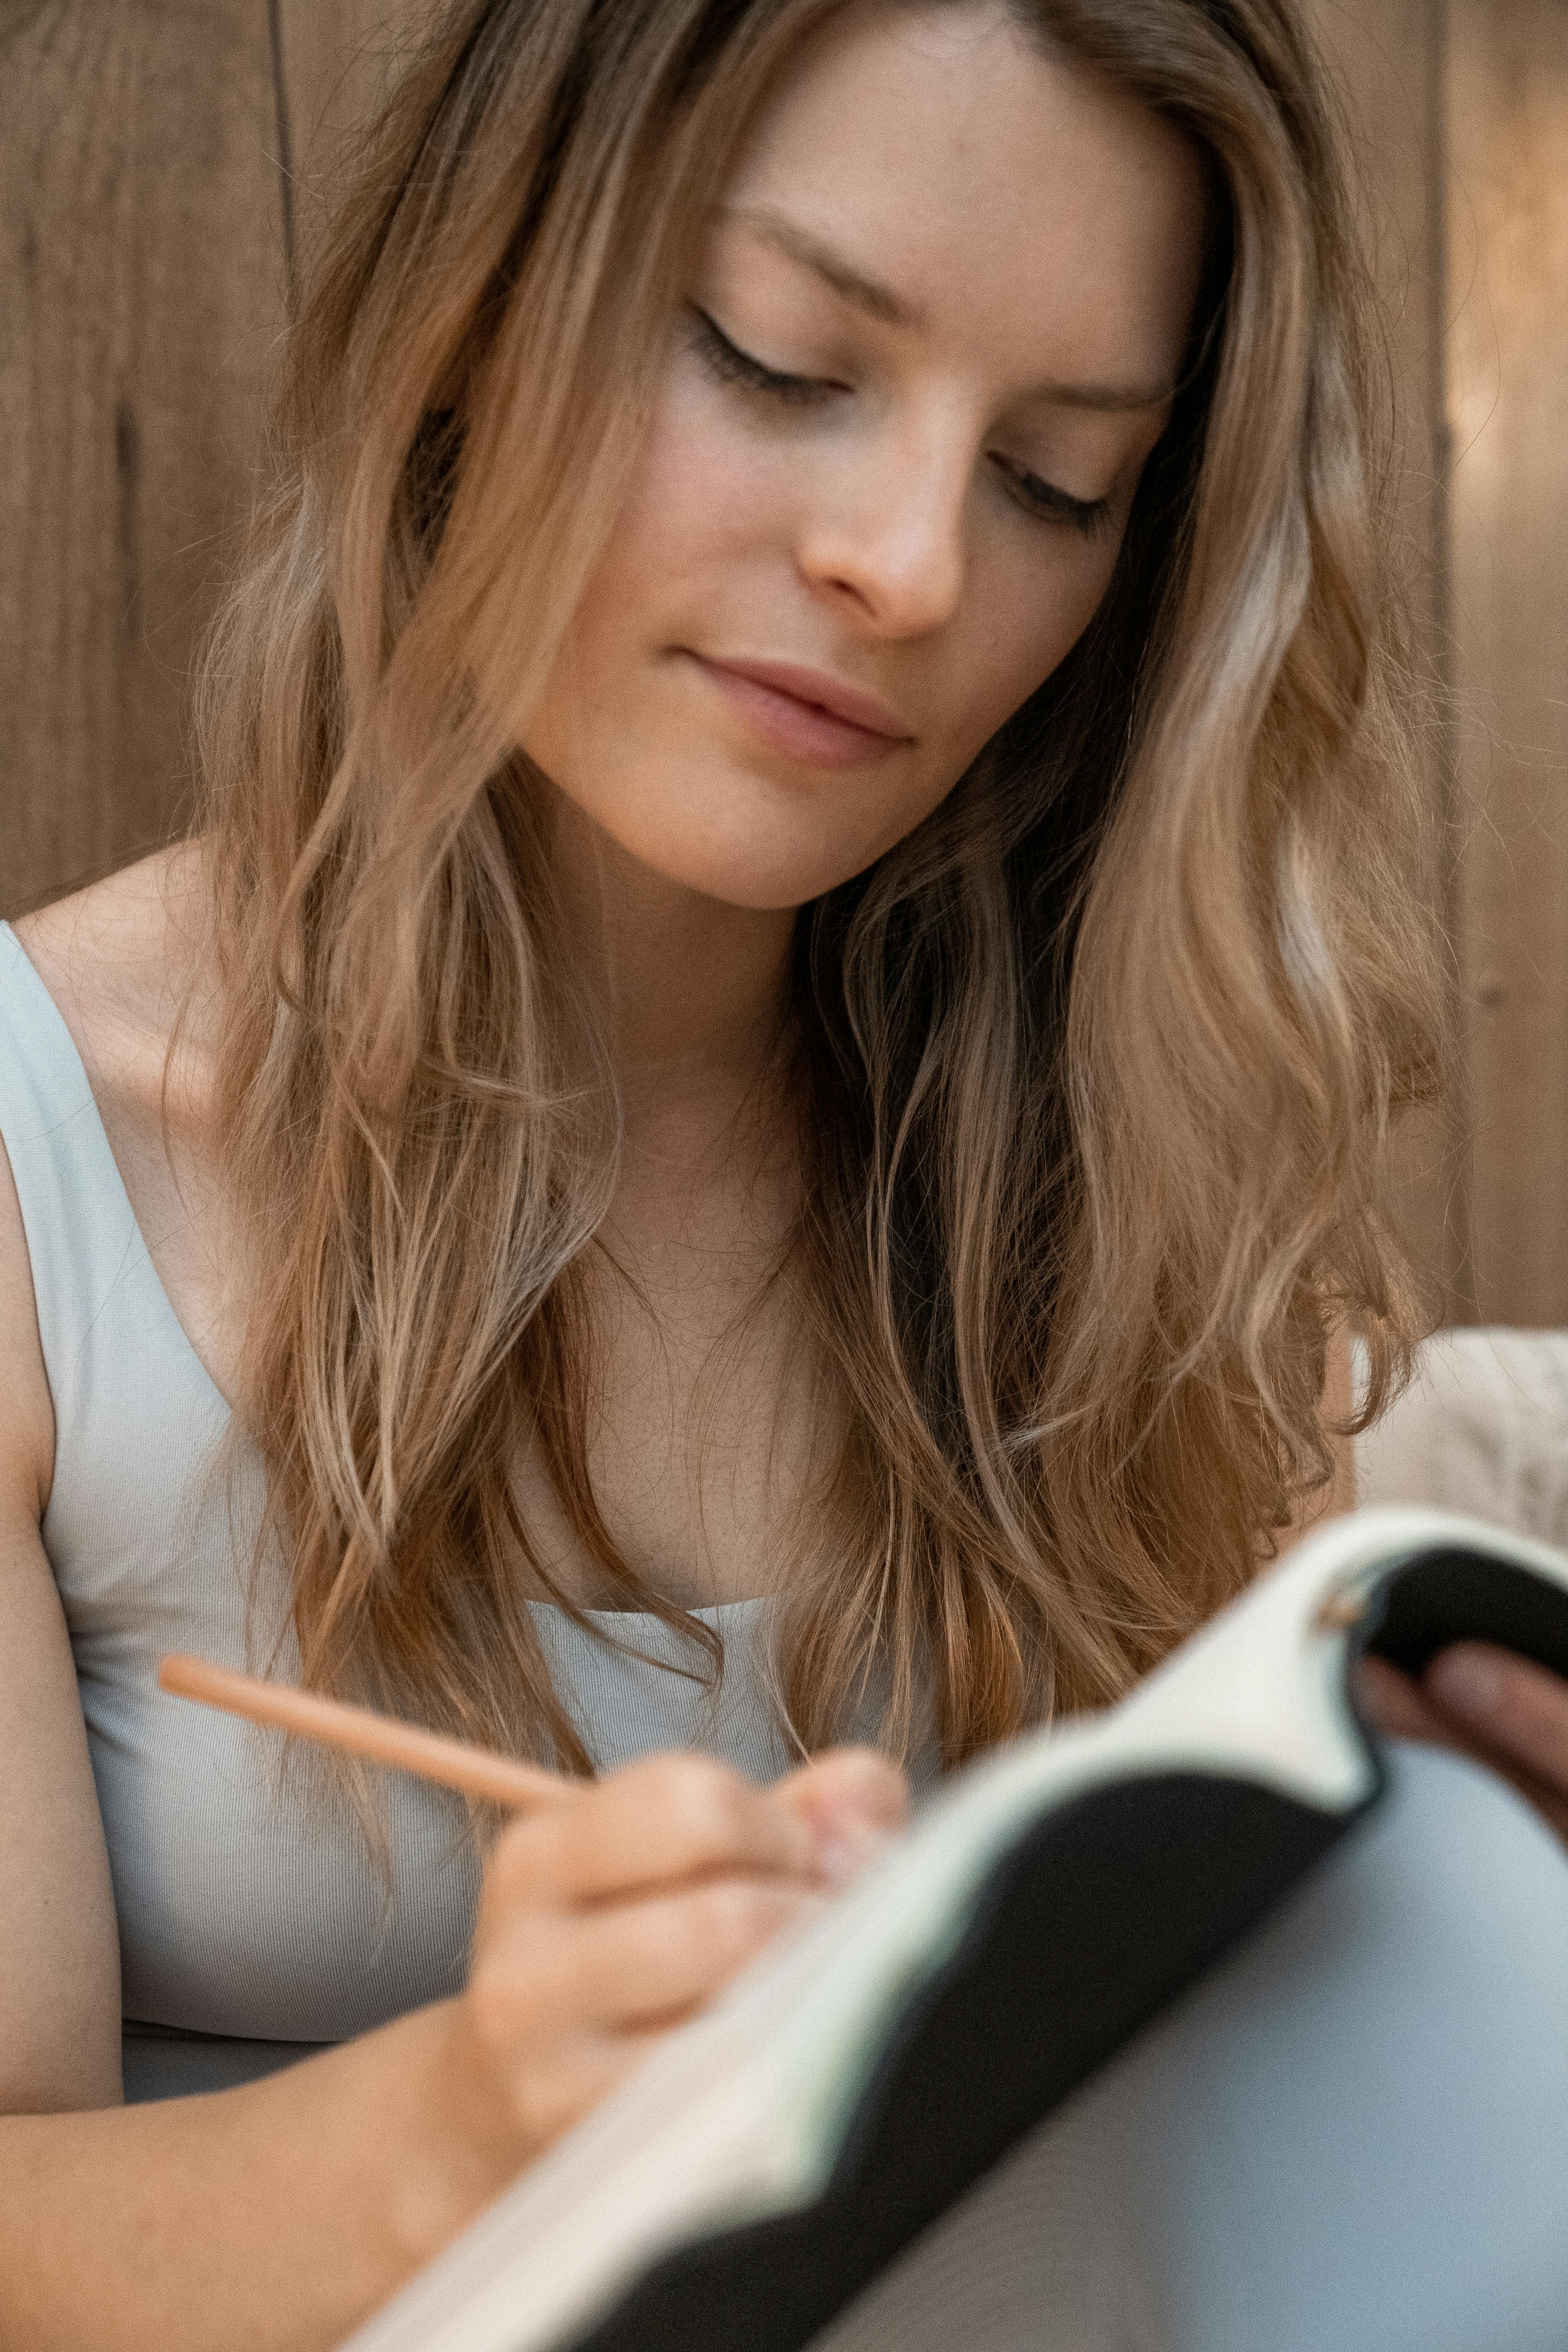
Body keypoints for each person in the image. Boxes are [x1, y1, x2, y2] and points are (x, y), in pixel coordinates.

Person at [1, 0, 1563, 2345]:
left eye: (1059, 480)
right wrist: (460, 2130)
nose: (915, 565)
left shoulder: (1128, 1186)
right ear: (475, 306)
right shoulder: (41, 1163)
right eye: (779, 354)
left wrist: (1441, 1895)